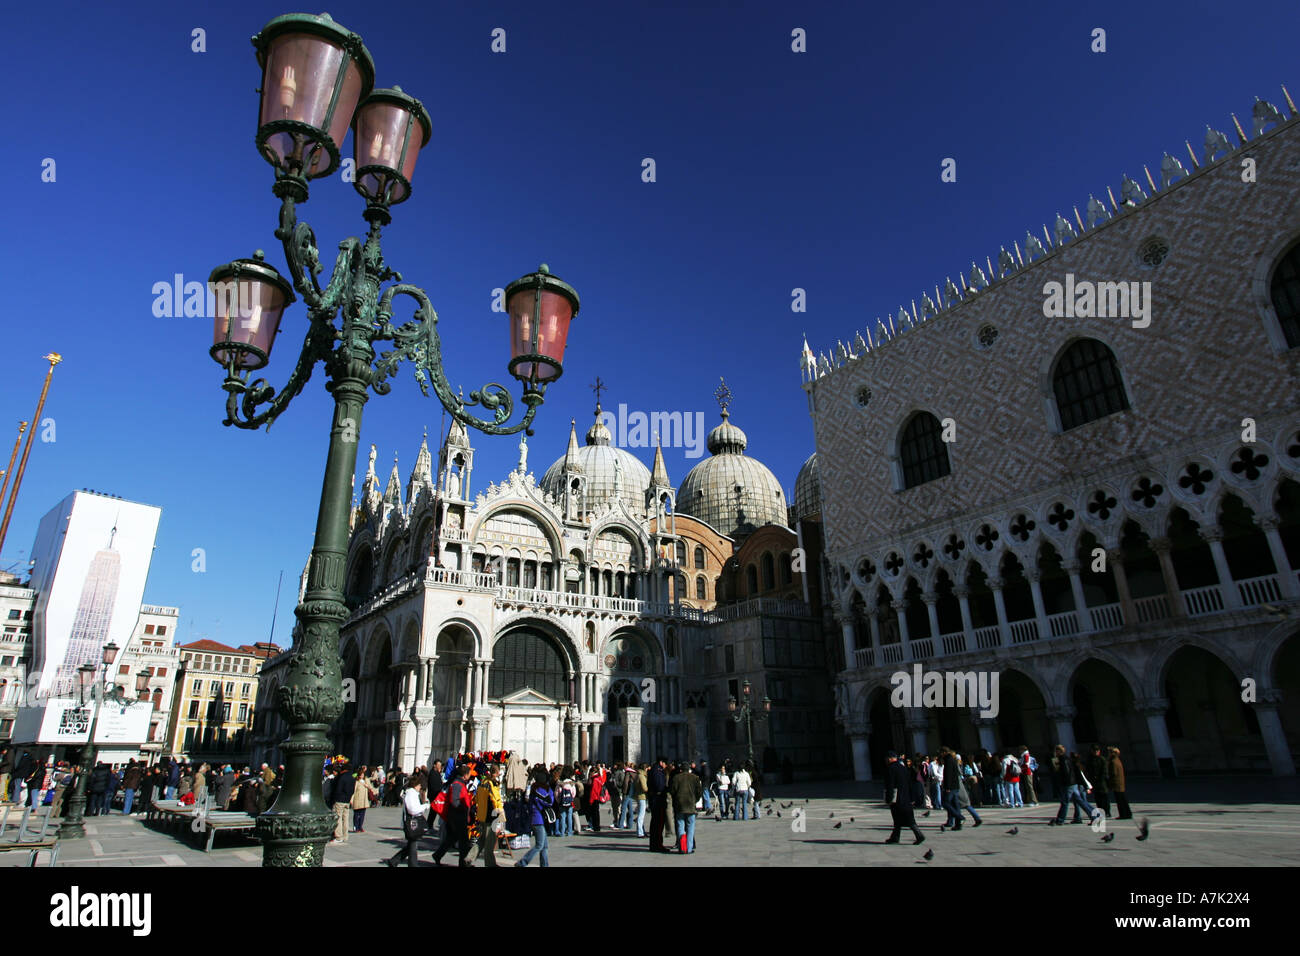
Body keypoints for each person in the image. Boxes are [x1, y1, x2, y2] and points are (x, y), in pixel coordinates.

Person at [432, 764, 473, 866]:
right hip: (457, 817)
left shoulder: (459, 783)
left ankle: (438, 855)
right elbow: (454, 801)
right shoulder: (457, 784)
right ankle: (463, 864)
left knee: (451, 839)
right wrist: (464, 808)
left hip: (457, 816)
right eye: (469, 774)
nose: (470, 776)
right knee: (464, 842)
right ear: (465, 775)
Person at [1049, 746, 1099, 826]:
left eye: (1056, 751)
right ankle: (1095, 815)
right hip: (1073, 783)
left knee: (1065, 802)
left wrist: (1062, 779)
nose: (1055, 753)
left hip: (1068, 784)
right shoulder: (1068, 759)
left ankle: (1060, 819)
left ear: (1058, 751)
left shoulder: (1062, 760)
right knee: (1080, 801)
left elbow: (1065, 772)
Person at [385, 777, 429, 867]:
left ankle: (394, 861)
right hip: (411, 822)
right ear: (416, 785)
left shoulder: (412, 793)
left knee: (411, 845)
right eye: (419, 785)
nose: (420, 787)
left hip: (410, 821)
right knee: (413, 845)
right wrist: (424, 806)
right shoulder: (411, 794)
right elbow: (412, 810)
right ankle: (413, 865)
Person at [883, 751, 924, 845]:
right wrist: (912, 797)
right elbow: (910, 783)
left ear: (890, 758)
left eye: (886, 759)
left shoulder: (890, 769)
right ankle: (895, 837)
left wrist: (889, 798)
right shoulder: (903, 767)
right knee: (901, 818)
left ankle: (919, 835)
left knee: (903, 818)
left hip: (897, 797)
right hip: (906, 797)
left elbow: (890, 785)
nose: (886, 761)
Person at [516, 768, 554, 867]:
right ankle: (523, 862)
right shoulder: (540, 790)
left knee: (544, 846)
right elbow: (549, 801)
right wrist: (549, 791)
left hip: (536, 818)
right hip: (538, 820)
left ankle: (544, 865)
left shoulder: (533, 789)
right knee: (539, 845)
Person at [940, 747, 981, 830]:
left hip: (954, 786)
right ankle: (956, 822)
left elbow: (948, 775)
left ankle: (961, 818)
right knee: (956, 805)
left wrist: (947, 787)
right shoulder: (954, 762)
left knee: (949, 803)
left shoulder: (949, 761)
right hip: (956, 786)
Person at [473, 763, 503, 867]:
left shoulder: (483, 781)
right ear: (496, 772)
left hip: (482, 814)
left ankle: (469, 857)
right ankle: (490, 864)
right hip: (490, 816)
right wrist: (500, 812)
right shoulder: (491, 784)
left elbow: (477, 797)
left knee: (481, 840)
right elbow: (495, 800)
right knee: (489, 842)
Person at [669, 762, 702, 853]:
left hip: (679, 806)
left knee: (680, 826)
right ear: (689, 769)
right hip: (691, 805)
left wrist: (676, 799)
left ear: (681, 769)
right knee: (690, 827)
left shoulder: (676, 778)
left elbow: (672, 791)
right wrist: (695, 800)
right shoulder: (695, 778)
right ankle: (689, 848)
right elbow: (699, 792)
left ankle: (681, 847)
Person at [647, 757, 669, 851]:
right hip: (658, 800)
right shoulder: (657, 770)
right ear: (661, 762)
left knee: (656, 823)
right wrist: (666, 789)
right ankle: (657, 845)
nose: (666, 766)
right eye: (665, 764)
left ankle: (655, 844)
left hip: (656, 799)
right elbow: (659, 786)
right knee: (658, 823)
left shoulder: (655, 769)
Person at [1107, 747, 1132, 820]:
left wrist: (1109, 781)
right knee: (1123, 799)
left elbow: (1113, 773)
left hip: (1116, 783)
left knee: (1120, 800)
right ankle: (1127, 813)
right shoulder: (1117, 760)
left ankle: (1123, 814)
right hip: (1120, 783)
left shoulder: (1113, 761)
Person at [351, 765, 376, 833]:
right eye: (361, 774)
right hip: (357, 799)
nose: (362, 775)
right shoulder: (356, 782)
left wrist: (368, 786)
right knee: (356, 815)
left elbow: (371, 787)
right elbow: (353, 791)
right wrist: (351, 800)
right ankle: (355, 827)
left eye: (363, 774)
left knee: (362, 815)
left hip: (364, 800)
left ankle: (360, 826)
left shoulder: (366, 781)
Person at [1087, 745, 1110, 818]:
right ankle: (1101, 812)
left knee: (1104, 797)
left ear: (1099, 751)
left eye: (1097, 751)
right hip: (1094, 782)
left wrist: (1102, 778)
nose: (1095, 752)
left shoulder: (1102, 759)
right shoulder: (1090, 759)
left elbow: (1104, 770)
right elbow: (1089, 771)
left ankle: (1107, 811)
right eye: (1094, 751)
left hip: (1102, 781)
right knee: (1098, 798)